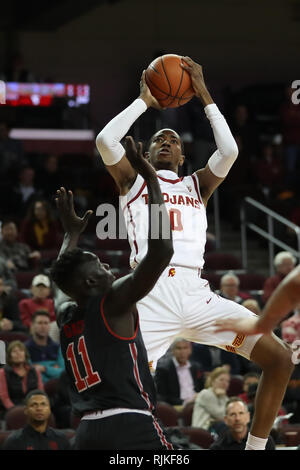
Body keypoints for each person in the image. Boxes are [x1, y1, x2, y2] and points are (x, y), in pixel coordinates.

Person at [96, 55, 294, 450]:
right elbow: (105, 141)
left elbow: (229, 151)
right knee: (120, 400)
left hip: (197, 295)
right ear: (148, 154)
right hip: (149, 294)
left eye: (173, 140)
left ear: (183, 157)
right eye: (158, 140)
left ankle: (255, 450)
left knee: (281, 359)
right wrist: (144, 102)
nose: (166, 141)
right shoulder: (133, 180)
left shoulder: (196, 186)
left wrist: (204, 94)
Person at [49, 137, 174, 450]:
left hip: (87, 434)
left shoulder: (67, 314)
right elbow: (162, 250)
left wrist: (71, 235)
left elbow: (60, 283)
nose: (108, 267)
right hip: (131, 425)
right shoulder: (112, 303)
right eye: (100, 266)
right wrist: (151, 179)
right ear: (91, 283)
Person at [215, 264, 300, 337]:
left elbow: (293, 284)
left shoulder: (244, 299)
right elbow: (293, 284)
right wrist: (261, 325)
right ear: (221, 287)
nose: (231, 288)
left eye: (233, 285)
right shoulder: (217, 301)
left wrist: (260, 325)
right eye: (228, 285)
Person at [2, 389, 71, 450]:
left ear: (49, 410)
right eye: (34, 405)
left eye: (43, 404)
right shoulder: (14, 441)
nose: (39, 408)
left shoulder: (61, 439)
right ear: (26, 410)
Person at [209, 397, 275, 450]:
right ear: (226, 420)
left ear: (248, 417)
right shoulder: (217, 447)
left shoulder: (265, 441)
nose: (237, 418)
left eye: (241, 413)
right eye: (232, 414)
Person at [154, 338, 204, 407]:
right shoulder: (163, 369)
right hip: (176, 407)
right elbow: (161, 396)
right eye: (179, 348)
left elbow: (201, 388)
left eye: (185, 348)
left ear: (190, 350)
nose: (182, 352)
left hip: (196, 404)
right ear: (173, 350)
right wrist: (185, 402)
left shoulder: (196, 367)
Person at [0, 341, 43, 414]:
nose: (18, 353)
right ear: (9, 356)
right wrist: (17, 412)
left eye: (21, 350)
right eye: (14, 351)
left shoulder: (35, 371)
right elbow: (4, 398)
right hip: (12, 411)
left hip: (33, 410)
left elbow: (41, 393)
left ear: (25, 354)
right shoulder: (3, 372)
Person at [25, 311, 65, 383]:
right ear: (32, 325)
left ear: (50, 326)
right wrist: (53, 368)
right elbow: (29, 372)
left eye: (46, 323)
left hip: (57, 387)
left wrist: (44, 368)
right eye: (40, 323)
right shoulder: (25, 348)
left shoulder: (58, 347)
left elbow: (63, 372)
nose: (43, 326)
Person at [191, 366, 230, 436]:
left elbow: (229, 413)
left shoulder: (224, 396)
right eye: (221, 380)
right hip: (202, 431)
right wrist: (222, 397)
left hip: (214, 429)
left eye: (227, 381)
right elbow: (221, 415)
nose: (225, 383)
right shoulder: (206, 393)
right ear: (212, 381)